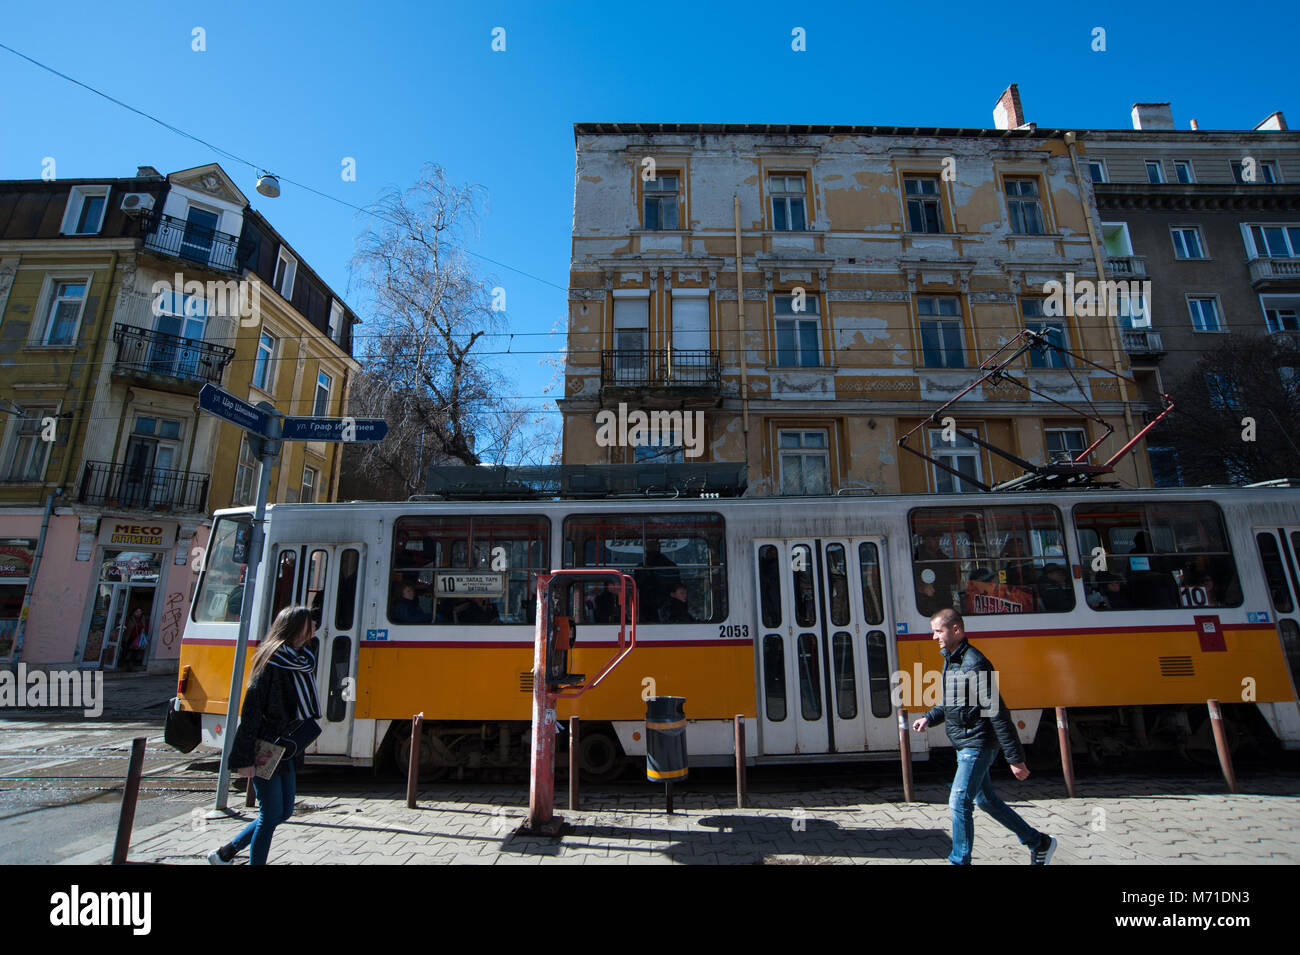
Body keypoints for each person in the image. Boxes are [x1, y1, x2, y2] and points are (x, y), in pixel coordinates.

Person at [911, 609, 1056, 865]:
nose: (933, 637)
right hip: (965, 742)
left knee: (958, 801)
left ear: (956, 630)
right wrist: (929, 717)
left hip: (976, 743)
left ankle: (959, 861)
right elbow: (952, 702)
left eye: (938, 631)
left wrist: (1015, 758)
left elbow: (997, 711)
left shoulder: (974, 663)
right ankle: (1039, 842)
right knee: (986, 801)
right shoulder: (953, 659)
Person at [208, 605, 321, 866]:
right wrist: (244, 758)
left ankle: (225, 853)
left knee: (283, 812)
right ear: (296, 629)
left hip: (287, 747)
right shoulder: (272, 662)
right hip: (266, 745)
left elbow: (311, 648)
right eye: (309, 624)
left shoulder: (300, 658)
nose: (314, 627)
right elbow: (251, 712)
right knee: (270, 815)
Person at [913, 532, 957, 617]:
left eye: (938, 539)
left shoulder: (943, 557)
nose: (937, 541)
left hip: (944, 599)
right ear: (925, 540)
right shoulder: (917, 558)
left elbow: (953, 579)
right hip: (926, 603)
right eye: (933, 538)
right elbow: (915, 579)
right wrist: (923, 586)